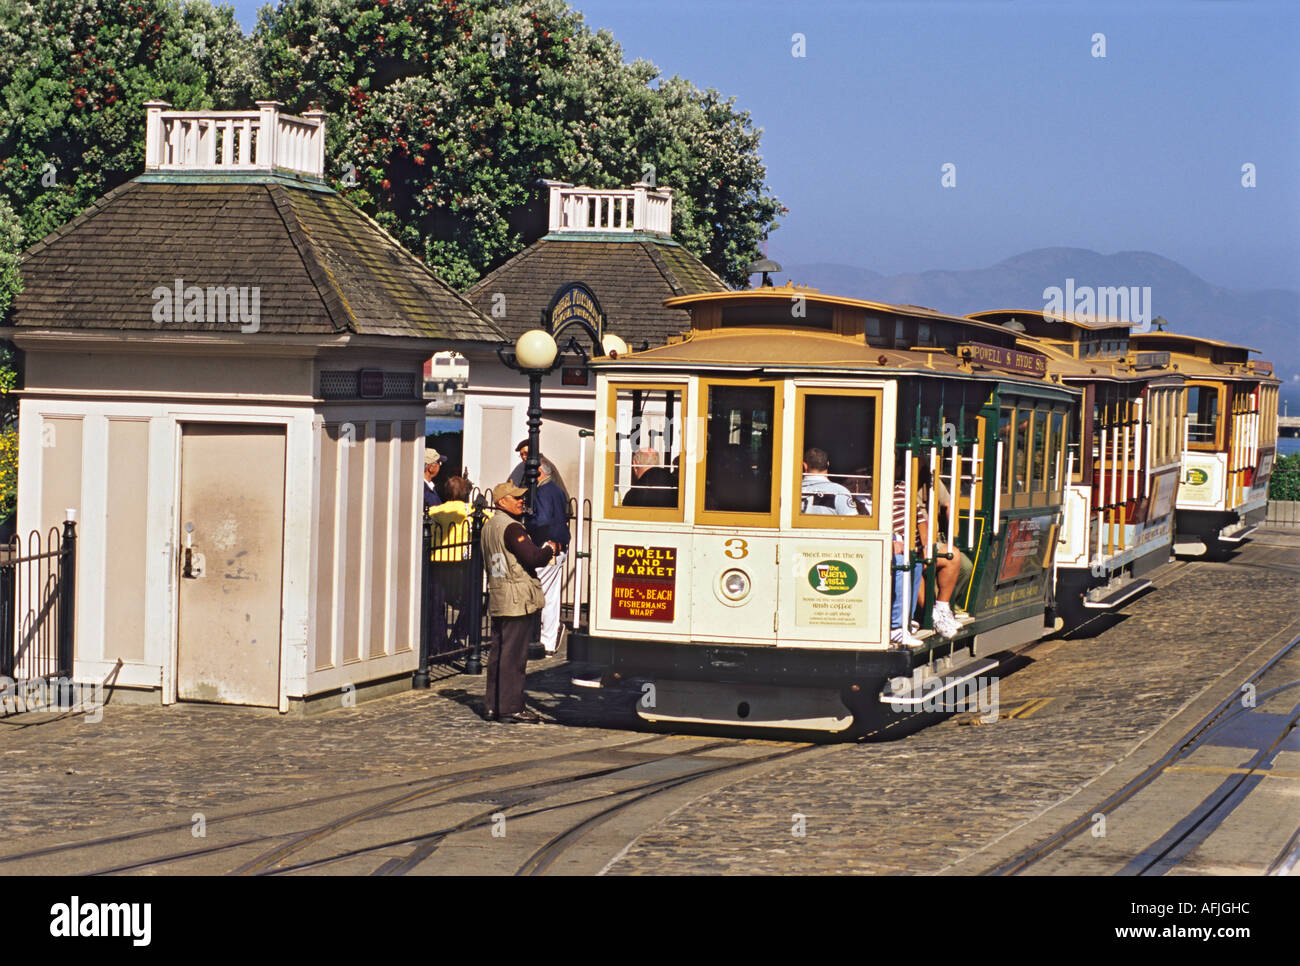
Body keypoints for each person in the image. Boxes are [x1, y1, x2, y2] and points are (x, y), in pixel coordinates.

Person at [482, 480, 557, 723]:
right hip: (516, 599)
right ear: (502, 502)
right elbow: (533, 557)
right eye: (516, 498)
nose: (521, 501)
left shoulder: (489, 526)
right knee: (514, 657)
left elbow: (498, 563)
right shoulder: (512, 527)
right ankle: (511, 707)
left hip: (500, 593)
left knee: (499, 653)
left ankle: (493, 705)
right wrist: (549, 549)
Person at [526, 465, 571, 656]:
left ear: (540, 471)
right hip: (560, 545)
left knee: (536, 590)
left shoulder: (543, 491)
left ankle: (535, 638)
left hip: (547, 546)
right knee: (551, 596)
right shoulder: (557, 490)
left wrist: (528, 520)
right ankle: (549, 641)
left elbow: (542, 519)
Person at [800, 447, 860, 515]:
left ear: (804, 466)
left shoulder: (792, 490)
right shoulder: (840, 492)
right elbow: (852, 522)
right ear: (828, 464)